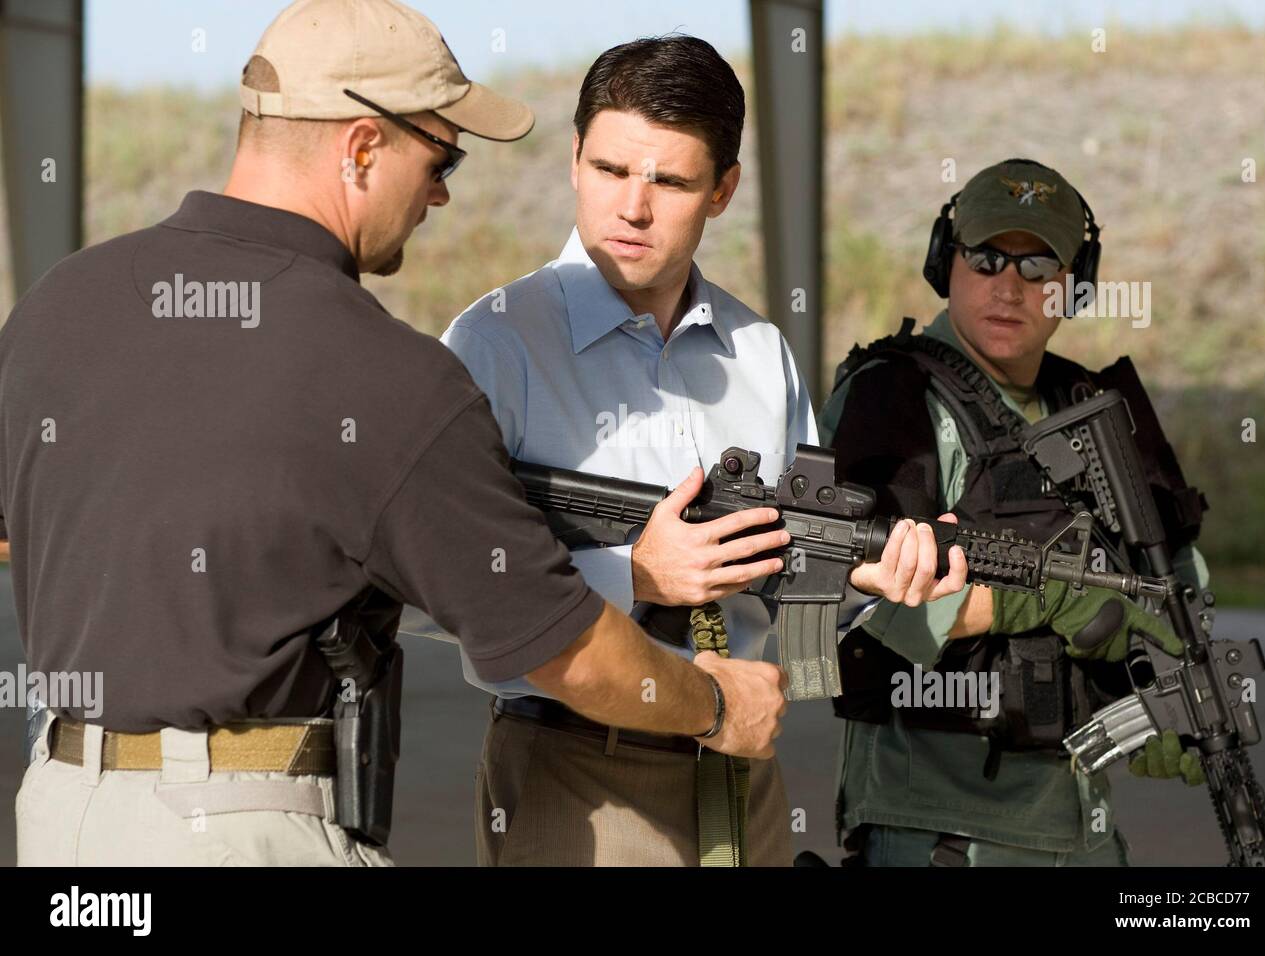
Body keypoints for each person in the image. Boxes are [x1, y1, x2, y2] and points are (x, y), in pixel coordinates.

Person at [0, 0, 787, 867]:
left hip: (61, 813)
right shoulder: (383, 373)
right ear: (364, 148)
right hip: (239, 828)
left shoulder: (56, 306)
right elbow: (558, 644)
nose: (443, 191)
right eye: (440, 156)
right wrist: (714, 704)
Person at [442, 35, 968, 867]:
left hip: (742, 775)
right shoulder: (496, 344)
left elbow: (794, 610)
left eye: (672, 182)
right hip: (579, 777)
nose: (633, 208)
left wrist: (874, 581)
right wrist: (638, 575)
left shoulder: (761, 353)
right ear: (574, 158)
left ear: (722, 190)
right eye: (611, 170)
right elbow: (439, 589)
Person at [821, 158, 1208, 867]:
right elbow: (857, 599)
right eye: (987, 257)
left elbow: (1172, 581)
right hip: (939, 827)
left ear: (1074, 285)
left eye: (1039, 267)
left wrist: (1171, 686)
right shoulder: (896, 403)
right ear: (947, 262)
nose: (1009, 287)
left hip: (1080, 827)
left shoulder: (1093, 408)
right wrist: (1041, 597)